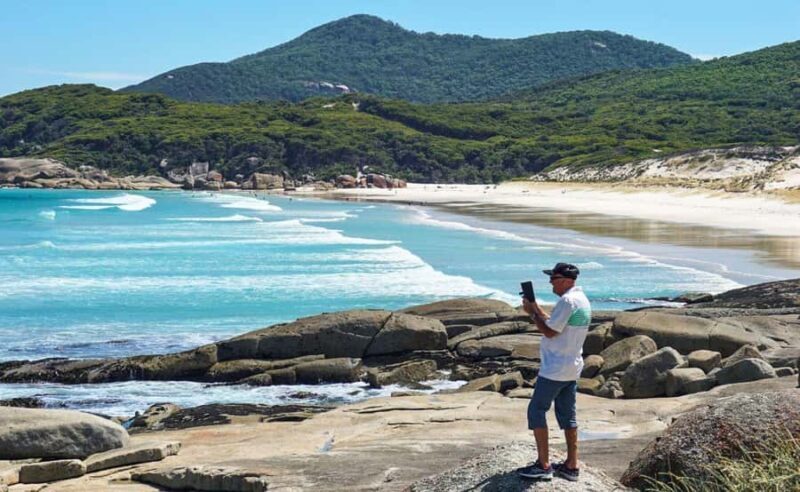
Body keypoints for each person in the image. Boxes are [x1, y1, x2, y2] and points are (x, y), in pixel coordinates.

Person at [517, 262, 591, 482]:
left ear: (567, 281)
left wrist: (532, 315)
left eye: (554, 279)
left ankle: (543, 464)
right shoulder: (581, 300)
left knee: (536, 411)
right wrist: (537, 308)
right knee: (568, 415)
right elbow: (558, 324)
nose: (550, 283)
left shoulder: (567, 301)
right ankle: (572, 465)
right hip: (572, 366)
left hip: (555, 368)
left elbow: (549, 331)